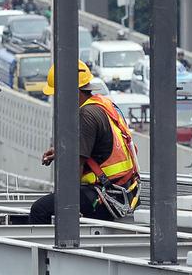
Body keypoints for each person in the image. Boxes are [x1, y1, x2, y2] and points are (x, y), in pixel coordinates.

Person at [28, 60, 141, 224]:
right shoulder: (104, 105)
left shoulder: (86, 115)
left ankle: (46, 249)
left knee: (40, 209)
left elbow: (76, 167)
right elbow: (98, 149)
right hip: (123, 191)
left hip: (104, 196)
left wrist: (65, 202)